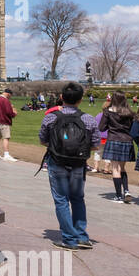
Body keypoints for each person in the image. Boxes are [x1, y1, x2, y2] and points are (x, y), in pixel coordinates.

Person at [39, 81, 101, 249]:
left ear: (61, 98)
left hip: (57, 162)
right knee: (78, 199)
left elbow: (43, 140)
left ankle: (69, 239)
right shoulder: (88, 119)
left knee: (61, 200)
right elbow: (96, 145)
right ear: (80, 99)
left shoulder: (51, 117)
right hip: (78, 164)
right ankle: (81, 235)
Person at [97, 92, 136, 202]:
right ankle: (126, 191)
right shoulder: (130, 113)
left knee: (115, 168)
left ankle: (118, 195)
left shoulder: (108, 112)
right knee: (122, 168)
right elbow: (133, 128)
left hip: (114, 139)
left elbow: (101, 128)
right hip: (127, 141)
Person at [0, 86, 17, 161]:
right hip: (4, 121)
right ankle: (6, 154)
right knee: (6, 137)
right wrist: (14, 113)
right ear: (8, 94)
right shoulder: (5, 101)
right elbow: (9, 112)